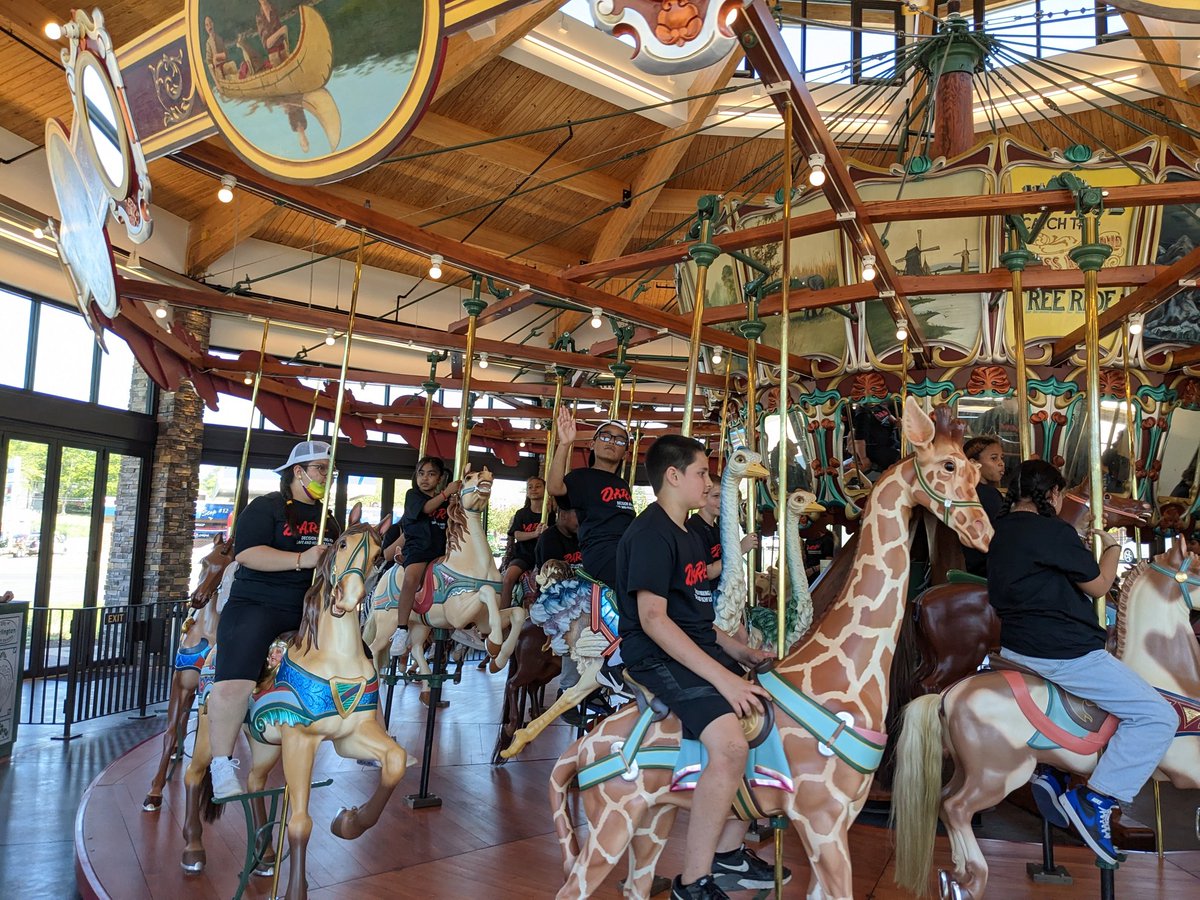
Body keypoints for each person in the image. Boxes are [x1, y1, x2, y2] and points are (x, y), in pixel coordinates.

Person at [618, 435, 789, 898]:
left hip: (692, 646)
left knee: (769, 716)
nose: (708, 482)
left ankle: (731, 850)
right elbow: (654, 620)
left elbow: (695, 620)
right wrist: (724, 678)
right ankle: (693, 881)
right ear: (673, 476)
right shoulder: (651, 534)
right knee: (732, 746)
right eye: (702, 474)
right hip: (655, 655)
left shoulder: (691, 533)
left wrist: (739, 653)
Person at [986, 459, 1175, 866]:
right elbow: (1099, 585)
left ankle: (1052, 771)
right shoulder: (1052, 531)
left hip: (1018, 647)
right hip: (1061, 650)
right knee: (1157, 716)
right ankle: (1098, 798)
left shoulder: (1001, 532)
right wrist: (1112, 548)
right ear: (1051, 494)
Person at [207, 440, 341, 798]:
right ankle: (221, 763)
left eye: (331, 472)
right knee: (234, 681)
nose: (326, 478)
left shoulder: (329, 516)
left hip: (307, 609)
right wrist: (301, 559)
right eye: (320, 471)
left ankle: (362, 730)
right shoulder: (265, 508)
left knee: (358, 652)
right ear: (298, 473)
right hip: (258, 602)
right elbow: (248, 554)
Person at [547, 409, 636, 693]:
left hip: (627, 548)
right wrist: (564, 444)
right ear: (593, 444)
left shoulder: (622, 485)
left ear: (625, 452)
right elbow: (555, 487)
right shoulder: (582, 477)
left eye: (620, 440)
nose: (613, 442)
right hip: (602, 549)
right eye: (606, 437)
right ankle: (616, 661)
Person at [392, 456, 460, 623]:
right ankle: (402, 626)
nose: (425, 478)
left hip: (441, 551)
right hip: (419, 550)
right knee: (411, 579)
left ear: (439, 479)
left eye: (431, 474)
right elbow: (427, 508)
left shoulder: (444, 502)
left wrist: (454, 502)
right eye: (421, 473)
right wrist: (446, 493)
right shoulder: (413, 496)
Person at [686, 479, 756, 593]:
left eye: (724, 496)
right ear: (702, 496)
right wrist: (740, 549)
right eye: (716, 496)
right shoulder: (694, 528)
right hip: (706, 598)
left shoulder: (717, 529)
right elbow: (708, 572)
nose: (722, 501)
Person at [500, 476, 553, 607]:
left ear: (545, 490)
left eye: (538, 486)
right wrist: (535, 533)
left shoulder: (551, 515)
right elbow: (517, 534)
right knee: (508, 578)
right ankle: (502, 612)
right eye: (530, 487)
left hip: (544, 556)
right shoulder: (522, 514)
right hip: (524, 555)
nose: (534, 489)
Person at [961, 435, 1006, 577]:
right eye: (994, 458)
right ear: (974, 463)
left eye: (1001, 458)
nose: (1001, 463)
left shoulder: (966, 491)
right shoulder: (987, 495)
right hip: (986, 566)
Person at [852, 401, 900, 481]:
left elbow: (890, 417)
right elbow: (859, 439)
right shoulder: (863, 414)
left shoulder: (880, 407)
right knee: (897, 457)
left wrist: (896, 422)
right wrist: (863, 458)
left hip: (890, 443)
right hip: (874, 448)